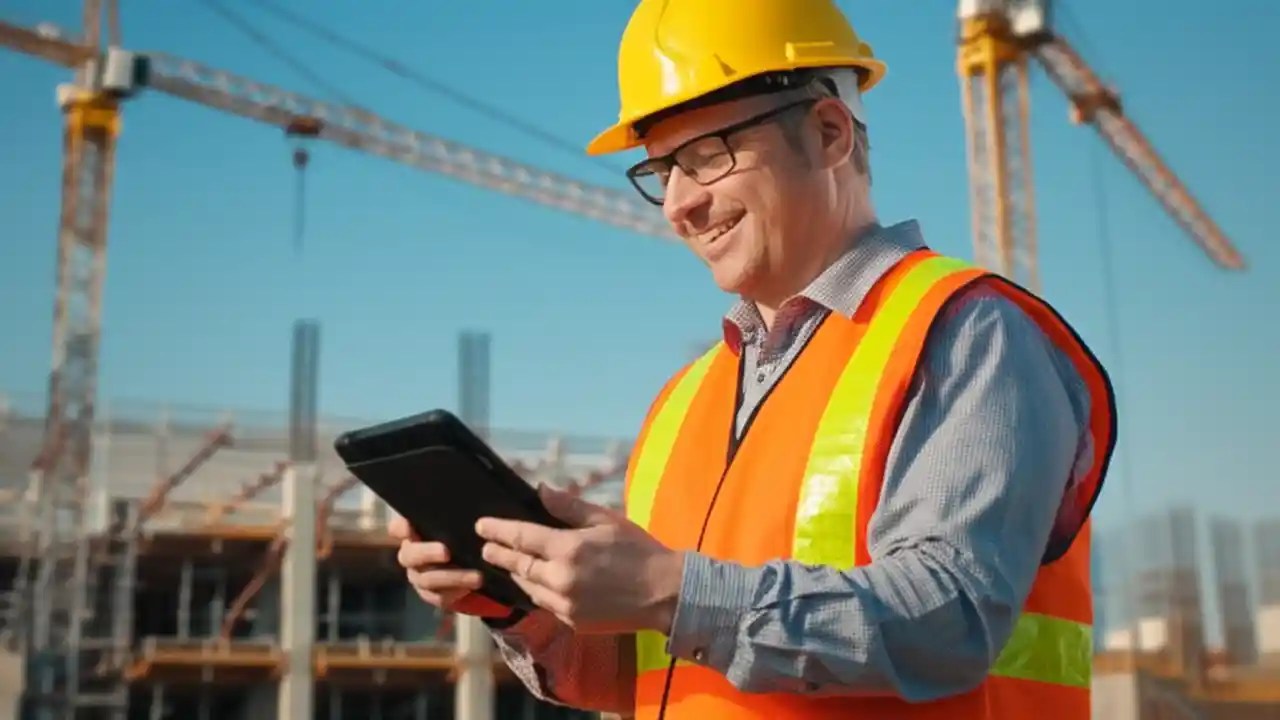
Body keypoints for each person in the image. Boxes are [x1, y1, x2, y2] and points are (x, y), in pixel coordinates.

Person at [390, 1, 1117, 718]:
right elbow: (651, 679)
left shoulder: (964, 331)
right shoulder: (685, 400)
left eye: (706, 156)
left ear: (830, 132)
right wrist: (520, 600)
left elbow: (950, 620)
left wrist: (666, 589)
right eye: (660, 171)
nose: (678, 204)